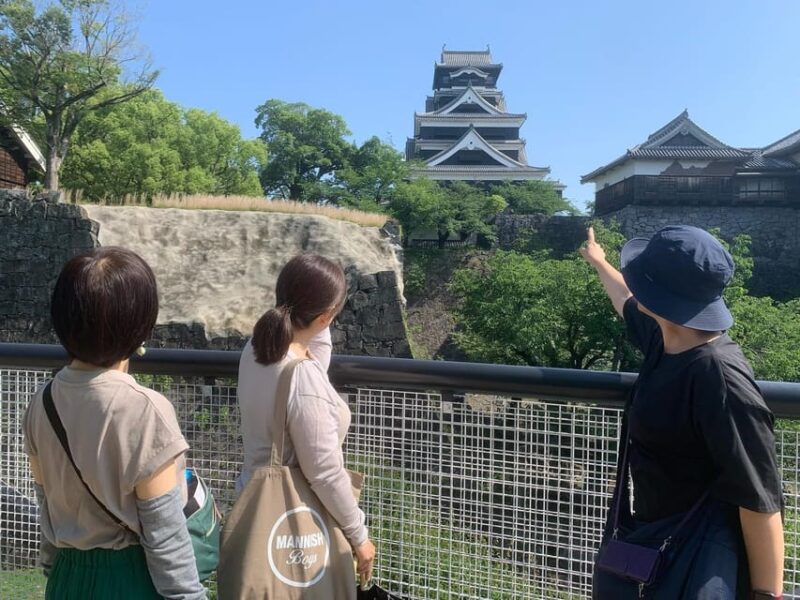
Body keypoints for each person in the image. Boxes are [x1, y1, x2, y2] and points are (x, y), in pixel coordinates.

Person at [581, 225, 784, 599]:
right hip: (657, 545)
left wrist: (766, 596)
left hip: (699, 562)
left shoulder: (719, 377)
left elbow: (760, 498)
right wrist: (599, 262)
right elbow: (625, 299)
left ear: (660, 296)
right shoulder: (667, 337)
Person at [23, 247, 205, 600]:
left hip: (66, 576)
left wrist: (53, 567)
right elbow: (165, 535)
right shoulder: (146, 409)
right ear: (139, 325)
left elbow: (46, 501)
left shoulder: (40, 404)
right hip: (129, 580)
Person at [236, 253, 376, 589]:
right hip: (294, 524)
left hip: (254, 507)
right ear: (327, 317)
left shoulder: (257, 349)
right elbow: (325, 471)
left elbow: (315, 361)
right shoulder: (301, 377)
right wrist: (359, 535)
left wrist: (322, 312)